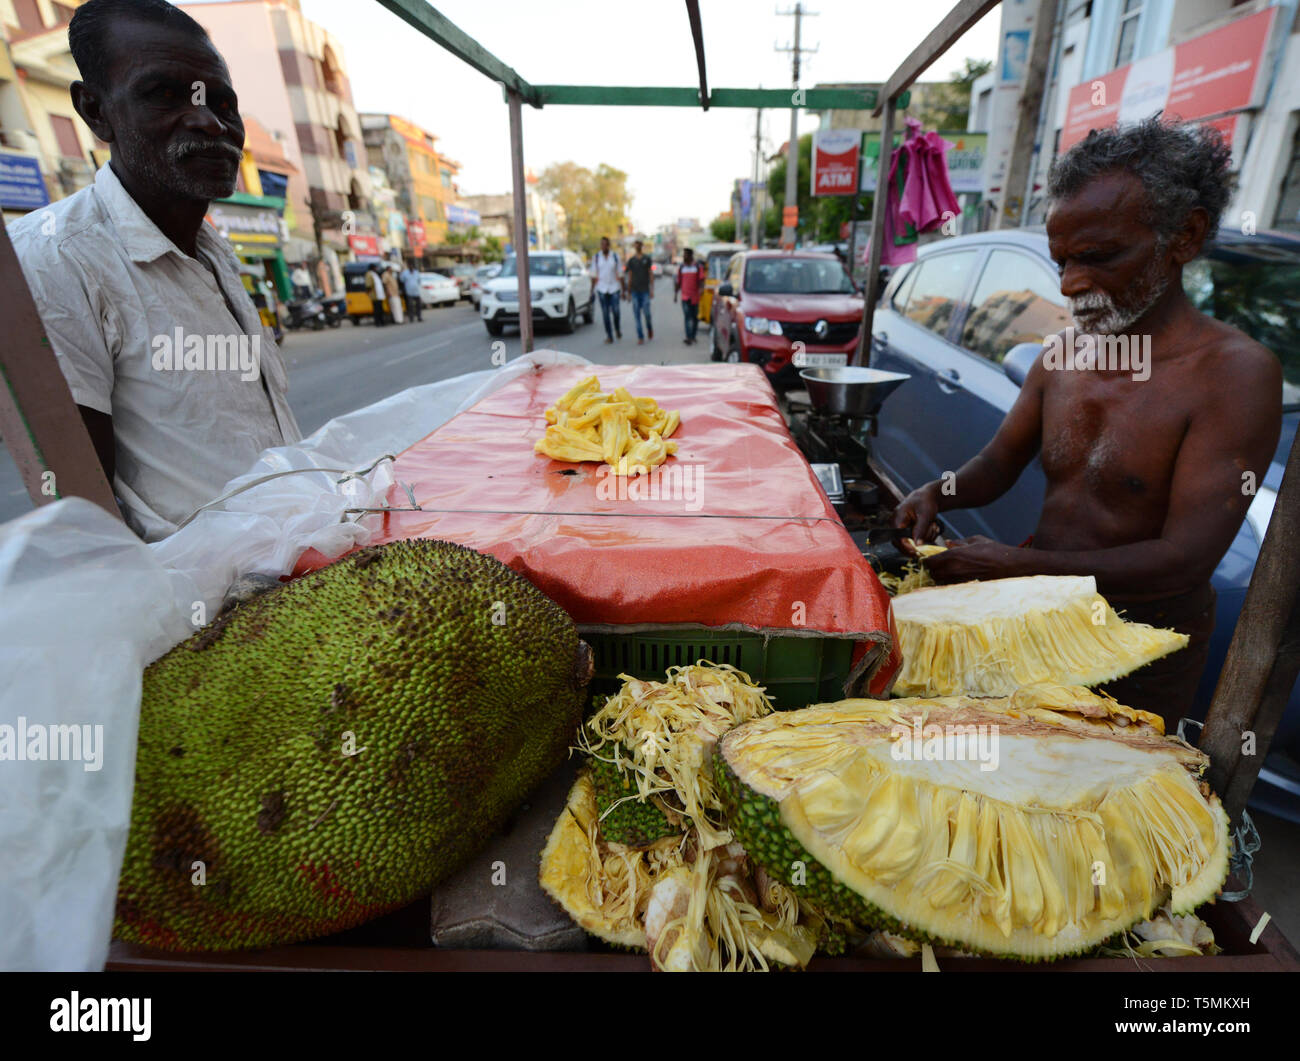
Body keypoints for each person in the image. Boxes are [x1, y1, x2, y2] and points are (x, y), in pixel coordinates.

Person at [892, 118, 1282, 729]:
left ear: (1185, 235)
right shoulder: (1062, 355)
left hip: (1139, 649)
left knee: (1093, 807)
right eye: (1063, 261)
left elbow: (1183, 560)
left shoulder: (1234, 376)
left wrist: (1011, 564)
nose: (1073, 285)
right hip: (1032, 618)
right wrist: (934, 492)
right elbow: (996, 465)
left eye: (1099, 258)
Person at [9, 0, 300, 543]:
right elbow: (81, 513)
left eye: (222, 103)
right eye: (165, 94)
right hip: (208, 611)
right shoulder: (53, 258)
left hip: (303, 572)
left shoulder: (214, 254)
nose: (209, 122)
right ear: (95, 111)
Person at [590, 235, 622, 342]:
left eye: (605, 244)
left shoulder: (615, 257)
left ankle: (617, 329)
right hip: (602, 288)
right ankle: (609, 335)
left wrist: (624, 289)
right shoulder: (597, 257)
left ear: (608, 245)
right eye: (601, 244)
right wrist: (592, 291)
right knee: (605, 314)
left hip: (614, 288)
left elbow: (620, 273)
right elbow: (594, 275)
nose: (603, 246)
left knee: (616, 311)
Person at [623, 239, 654, 344]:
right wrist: (628, 292)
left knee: (647, 313)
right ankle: (640, 336)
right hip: (635, 291)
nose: (637, 247)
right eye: (635, 245)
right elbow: (630, 276)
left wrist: (651, 289)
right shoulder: (631, 261)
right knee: (637, 315)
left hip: (645, 290)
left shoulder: (647, 259)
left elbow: (650, 273)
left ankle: (649, 328)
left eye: (639, 245)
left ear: (641, 246)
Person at [674, 247, 705, 345]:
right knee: (687, 317)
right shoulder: (682, 267)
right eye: (683, 255)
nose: (684, 256)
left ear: (690, 255)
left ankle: (693, 335)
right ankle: (688, 337)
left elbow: (701, 280)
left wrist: (701, 290)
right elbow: (678, 282)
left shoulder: (697, 267)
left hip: (695, 297)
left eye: (685, 254)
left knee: (695, 317)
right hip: (685, 296)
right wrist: (675, 294)